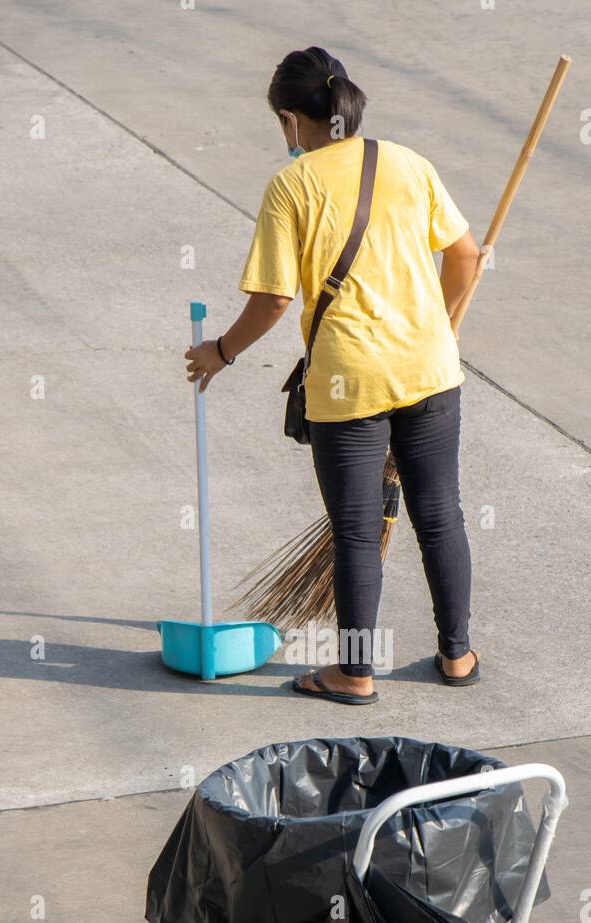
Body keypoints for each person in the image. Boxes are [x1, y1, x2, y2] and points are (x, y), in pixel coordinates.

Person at [185, 45, 482, 704]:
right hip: (431, 368)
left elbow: (272, 300)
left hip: (349, 380)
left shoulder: (291, 186)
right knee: (440, 515)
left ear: (292, 120)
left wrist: (219, 353)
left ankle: (354, 672)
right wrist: (443, 329)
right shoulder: (406, 161)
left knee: (353, 528)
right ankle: (456, 655)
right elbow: (464, 256)